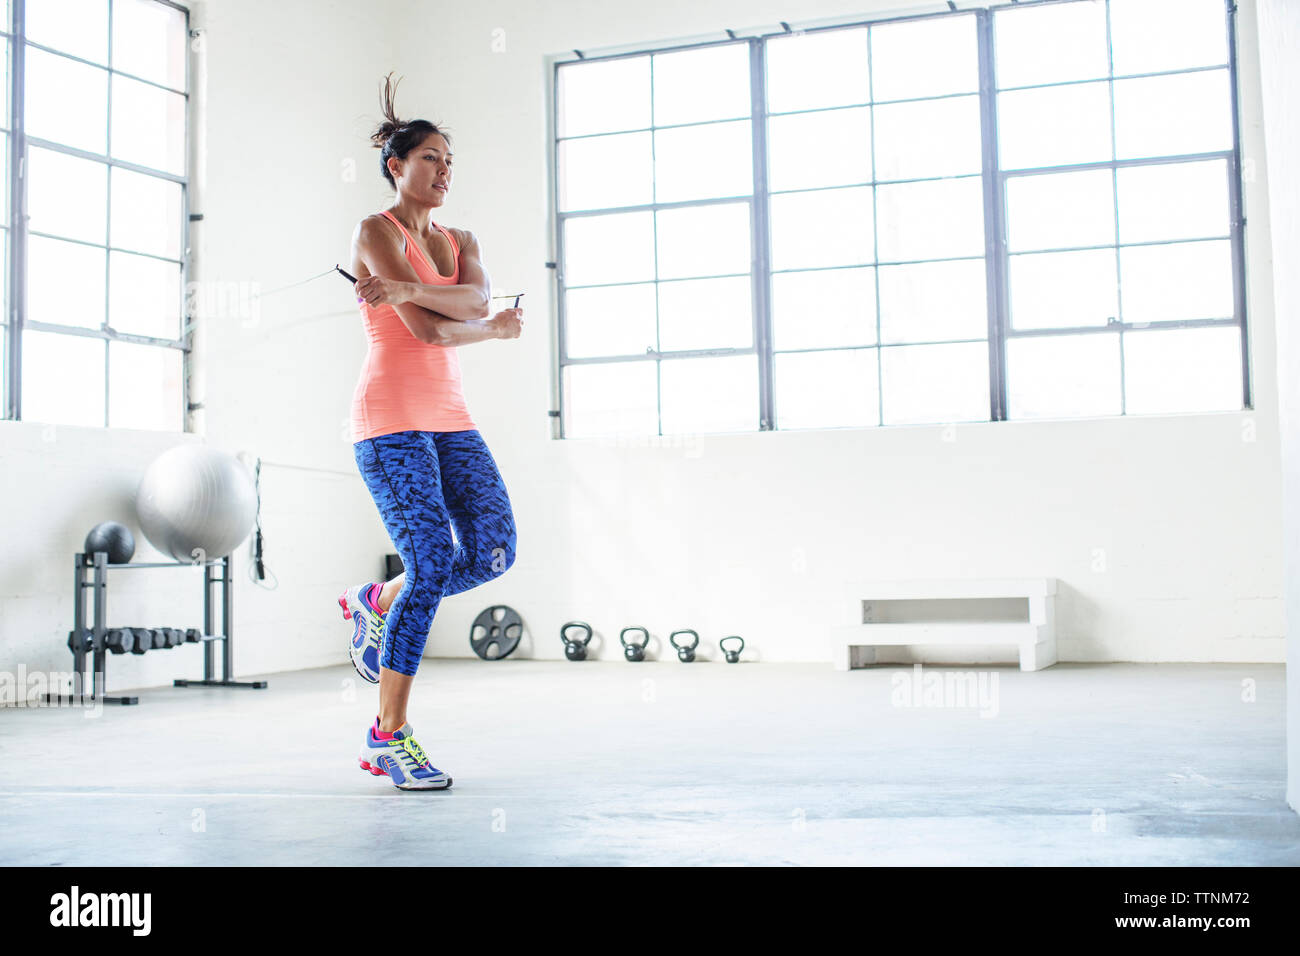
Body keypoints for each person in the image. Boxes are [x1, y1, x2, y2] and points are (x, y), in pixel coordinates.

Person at [339, 73, 521, 790]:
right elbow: (426, 331)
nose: (444, 172)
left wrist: (418, 288)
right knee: (433, 561)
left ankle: (376, 602)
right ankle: (389, 735)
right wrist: (489, 327)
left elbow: (471, 295)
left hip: (451, 420)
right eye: (431, 159)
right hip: (389, 422)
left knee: (495, 549)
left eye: (450, 162)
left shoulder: (460, 238)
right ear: (397, 166)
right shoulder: (372, 232)